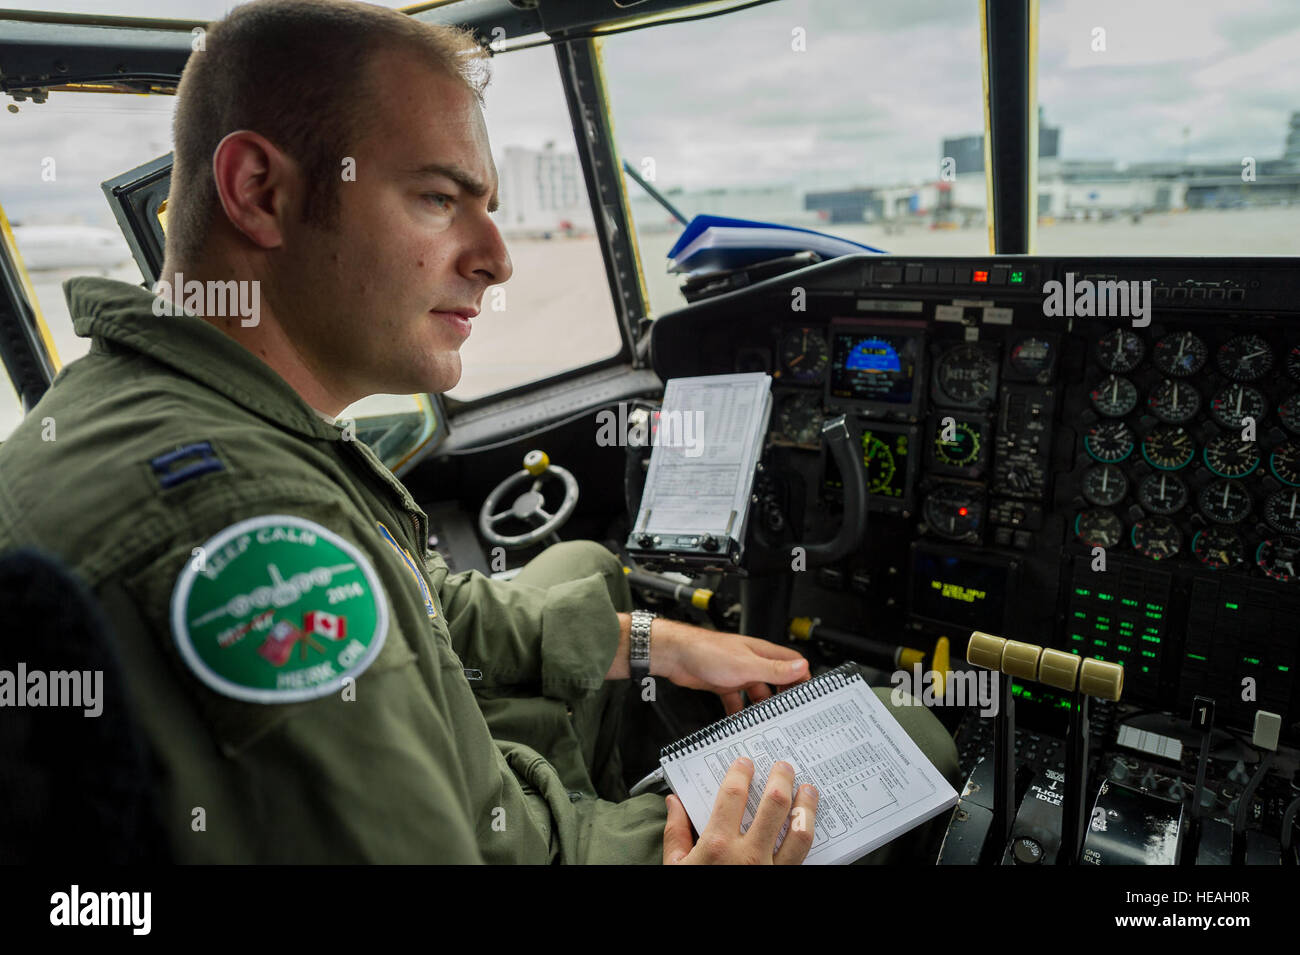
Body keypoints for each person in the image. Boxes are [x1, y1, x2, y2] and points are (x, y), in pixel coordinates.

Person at [0, 0, 956, 863]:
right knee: (913, 736)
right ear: (259, 190)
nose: (496, 259)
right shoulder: (250, 531)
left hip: (482, 775)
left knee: (584, 565)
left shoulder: (160, 400)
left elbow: (428, 602)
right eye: (437, 198)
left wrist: (654, 639)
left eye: (489, 207)